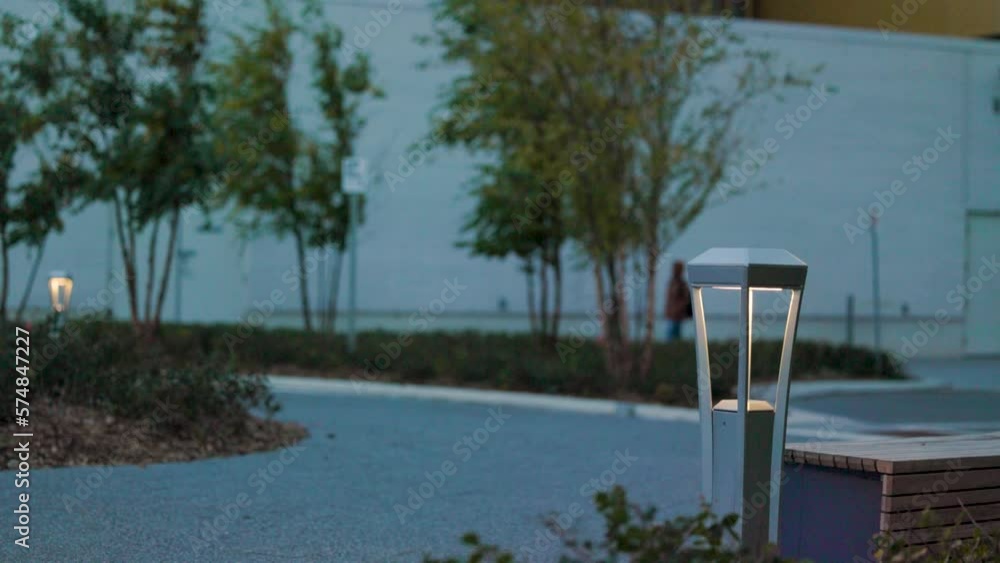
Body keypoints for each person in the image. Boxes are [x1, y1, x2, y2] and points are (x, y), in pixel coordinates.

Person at [664, 260, 692, 341]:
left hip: (677, 316)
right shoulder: (672, 283)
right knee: (671, 336)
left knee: (674, 337)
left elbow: (685, 299)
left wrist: (678, 309)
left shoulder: (681, 284)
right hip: (672, 316)